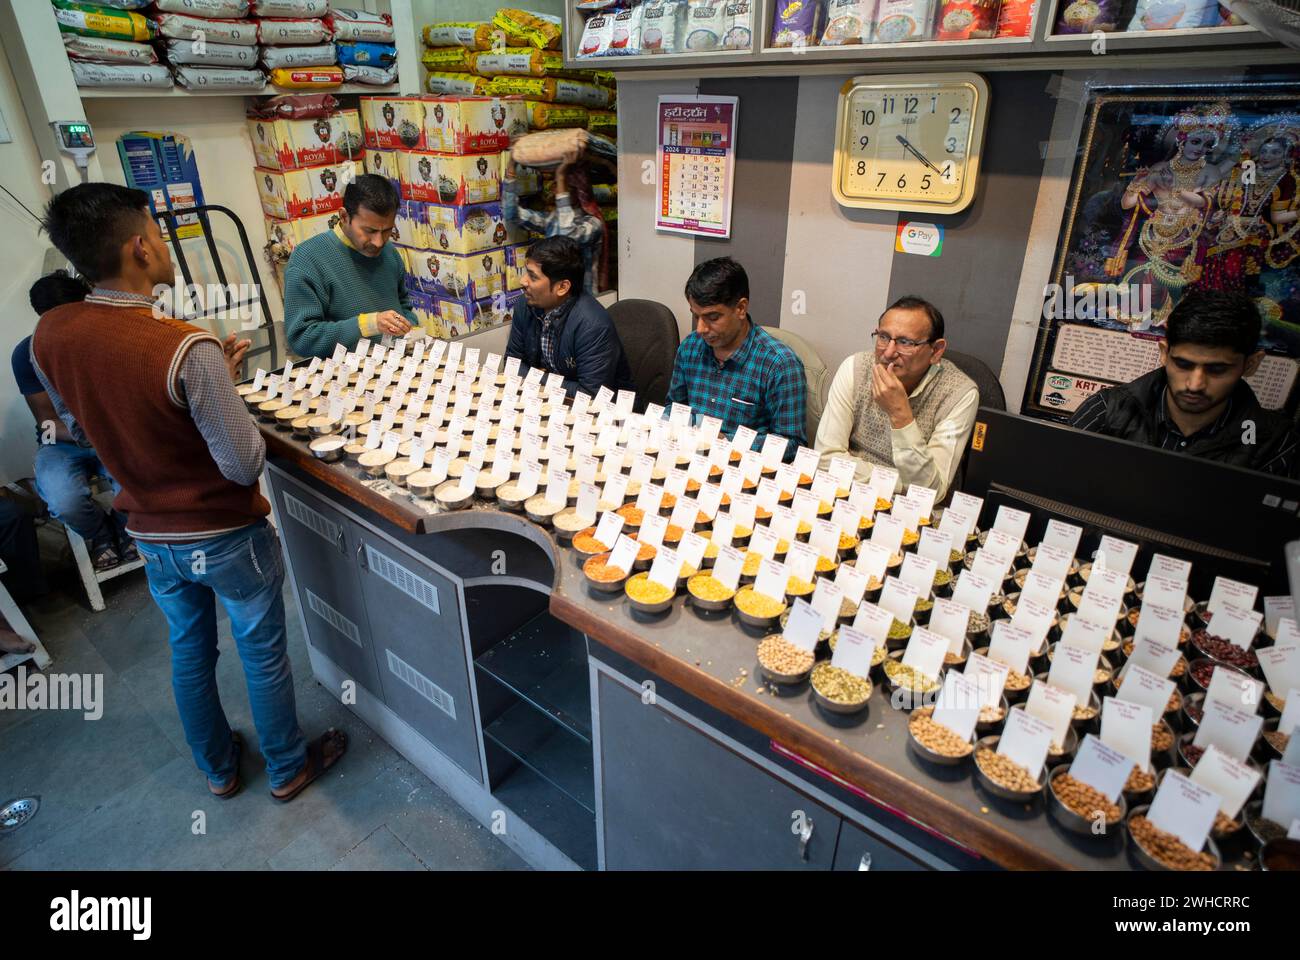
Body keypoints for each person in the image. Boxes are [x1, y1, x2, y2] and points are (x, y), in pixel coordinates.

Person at [33, 182, 346, 801]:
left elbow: (85, 425)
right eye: (154, 229)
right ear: (140, 248)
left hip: (148, 532)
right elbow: (240, 462)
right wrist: (218, 391)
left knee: (189, 651)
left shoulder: (52, 335)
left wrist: (205, 390)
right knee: (260, 651)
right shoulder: (182, 344)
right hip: (224, 534)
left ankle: (219, 769)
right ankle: (287, 768)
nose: (161, 240)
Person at [1068, 290, 1298, 475]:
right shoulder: (1107, 410)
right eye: (1184, 365)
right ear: (1164, 353)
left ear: (1250, 365)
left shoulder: (1275, 443)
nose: (1195, 384)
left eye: (1217, 370)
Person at [11, 270, 135, 571]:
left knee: (136, 476)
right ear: (42, 318)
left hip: (111, 434)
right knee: (63, 499)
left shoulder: (104, 340)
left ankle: (125, 528)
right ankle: (102, 535)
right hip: (62, 441)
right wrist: (87, 435)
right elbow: (47, 424)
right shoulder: (26, 354)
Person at [815, 296, 978, 499]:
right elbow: (826, 459)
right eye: (883, 337)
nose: (889, 352)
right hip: (848, 494)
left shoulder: (959, 393)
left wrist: (900, 413)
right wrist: (900, 483)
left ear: (936, 351)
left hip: (910, 511)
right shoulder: (855, 368)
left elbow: (930, 492)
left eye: (905, 342)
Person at [666, 257, 807, 458]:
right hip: (688, 458)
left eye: (713, 317)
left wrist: (728, 444)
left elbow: (793, 444)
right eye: (696, 316)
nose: (701, 329)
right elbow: (674, 406)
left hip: (743, 470)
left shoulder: (779, 364)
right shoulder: (690, 347)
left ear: (740, 308)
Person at [283, 173, 415, 358]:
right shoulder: (308, 259)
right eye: (369, 231)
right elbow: (303, 339)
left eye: (387, 231)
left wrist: (408, 326)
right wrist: (367, 324)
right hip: (339, 377)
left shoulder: (389, 253)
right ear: (344, 216)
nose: (378, 242)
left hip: (392, 366)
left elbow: (403, 305)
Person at [505, 234, 633, 396]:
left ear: (562, 287)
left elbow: (590, 394)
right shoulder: (525, 305)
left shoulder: (592, 325)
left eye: (533, 276)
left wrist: (537, 376)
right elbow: (511, 365)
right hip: (546, 403)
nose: (523, 282)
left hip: (604, 414)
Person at [503, 147, 604, 294]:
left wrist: (561, 176)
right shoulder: (552, 220)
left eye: (563, 187)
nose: (557, 191)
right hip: (555, 298)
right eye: (557, 185)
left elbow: (566, 239)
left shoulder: (593, 223)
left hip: (581, 300)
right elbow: (512, 215)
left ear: (579, 191)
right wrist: (511, 168)